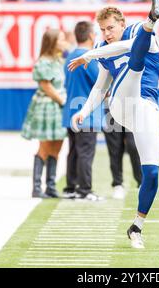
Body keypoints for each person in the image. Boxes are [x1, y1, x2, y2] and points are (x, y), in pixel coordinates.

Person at [68, 0, 159, 249]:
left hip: (145, 108)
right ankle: (153, 17)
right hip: (121, 105)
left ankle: (137, 227)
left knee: (152, 173)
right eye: (102, 30)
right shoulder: (105, 47)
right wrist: (84, 111)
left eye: (110, 28)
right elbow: (100, 87)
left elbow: (133, 45)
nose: (106, 34)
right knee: (135, 65)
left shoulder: (135, 35)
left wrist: (89, 53)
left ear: (123, 24)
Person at [21, 30, 68, 199]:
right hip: (48, 107)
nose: (64, 42)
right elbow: (46, 87)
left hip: (59, 107)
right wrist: (63, 101)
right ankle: (36, 187)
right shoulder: (43, 62)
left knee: (57, 147)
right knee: (45, 147)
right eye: (61, 39)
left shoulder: (60, 61)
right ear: (52, 42)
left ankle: (51, 186)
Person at [62, 21, 104, 201]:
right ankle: (84, 189)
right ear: (90, 36)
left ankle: (71, 187)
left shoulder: (70, 56)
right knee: (86, 152)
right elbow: (102, 82)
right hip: (87, 115)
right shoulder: (89, 58)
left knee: (73, 152)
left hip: (70, 112)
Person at [103, 108, 142, 199]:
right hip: (111, 110)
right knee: (115, 150)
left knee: (133, 146)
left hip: (132, 111)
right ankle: (118, 185)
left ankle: (141, 182)